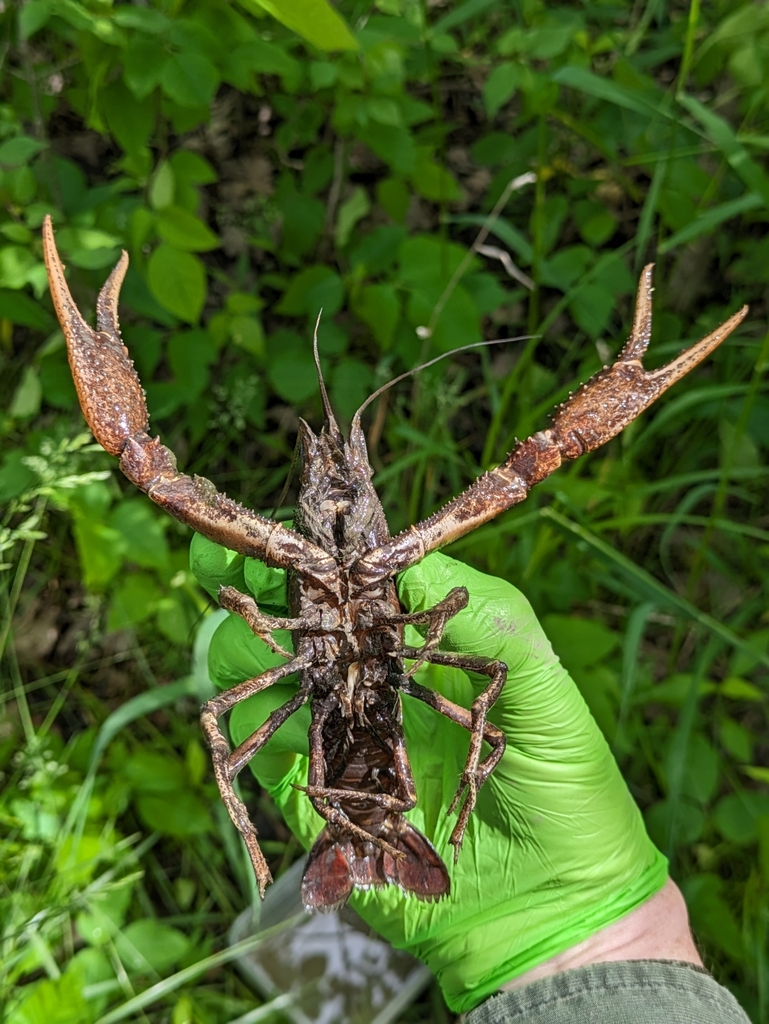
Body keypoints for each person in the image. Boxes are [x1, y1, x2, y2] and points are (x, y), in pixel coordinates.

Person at [191, 536, 750, 1023]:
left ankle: (366, 835)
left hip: (376, 730)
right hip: (331, 723)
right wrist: (609, 944)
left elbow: (468, 633)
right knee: (238, 719)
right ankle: (352, 837)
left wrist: (596, 933)